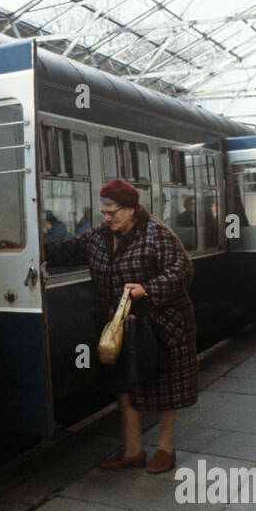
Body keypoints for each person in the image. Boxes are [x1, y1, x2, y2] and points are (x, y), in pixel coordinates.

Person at [44, 179, 197, 474]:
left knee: (164, 387)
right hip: (119, 326)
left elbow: (182, 270)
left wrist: (147, 289)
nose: (106, 218)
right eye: (104, 212)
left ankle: (165, 448)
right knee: (125, 386)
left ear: (130, 209)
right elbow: (67, 249)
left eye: (112, 212)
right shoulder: (100, 235)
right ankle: (133, 450)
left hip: (162, 324)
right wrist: (27, 248)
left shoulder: (156, 233)